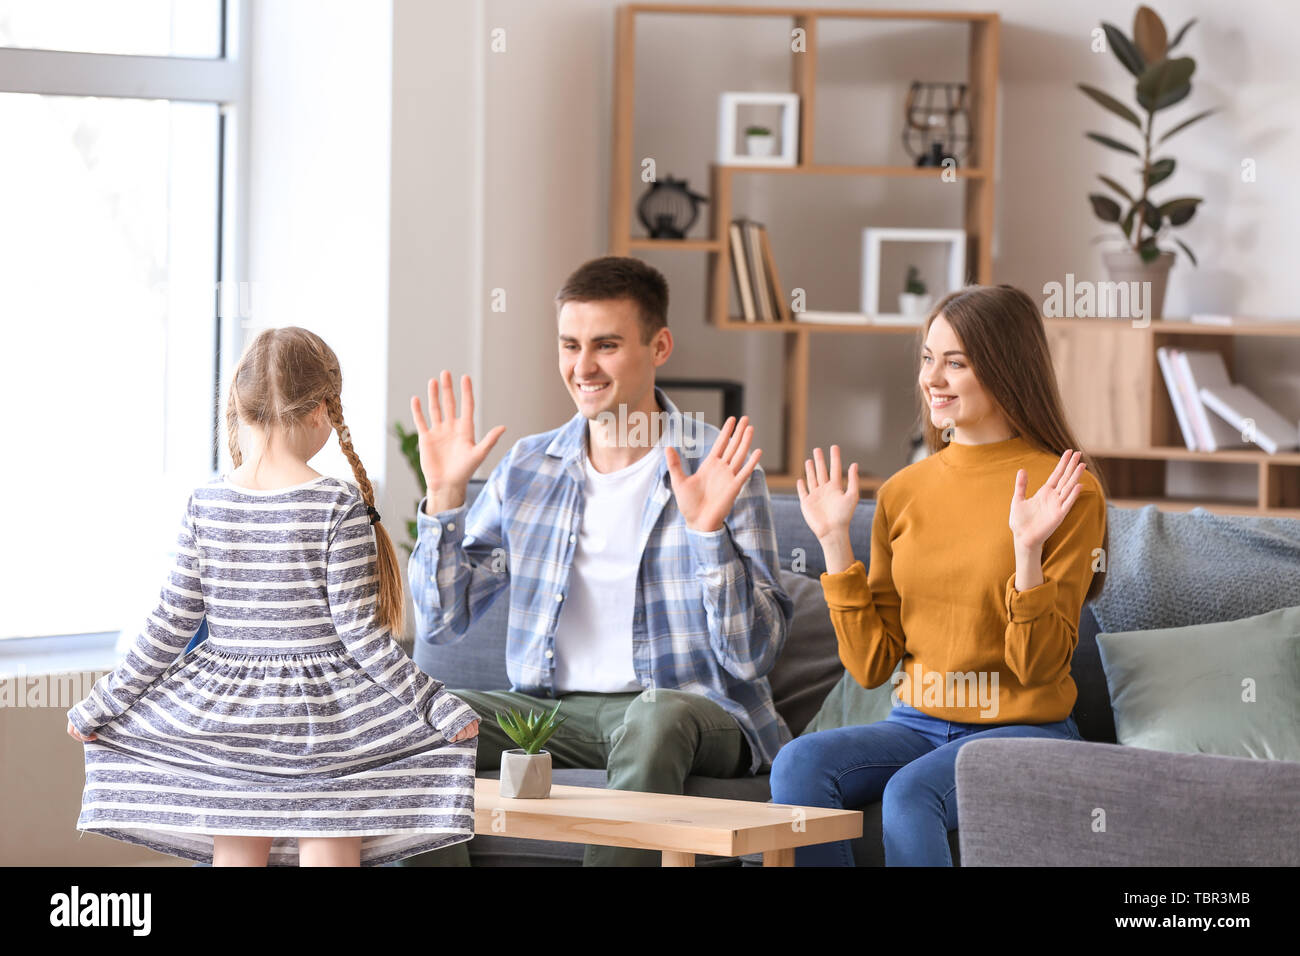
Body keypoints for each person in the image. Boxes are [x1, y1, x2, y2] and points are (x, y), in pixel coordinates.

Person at [405, 255, 794, 867]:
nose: (583, 368)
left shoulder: (717, 463)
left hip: (690, 709)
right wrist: (447, 500)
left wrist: (708, 534)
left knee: (655, 717)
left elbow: (752, 657)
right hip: (553, 711)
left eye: (606, 345)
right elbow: (440, 622)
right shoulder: (530, 467)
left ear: (659, 345)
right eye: (570, 345)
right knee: (421, 718)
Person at [66, 326, 480, 867]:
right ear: (322, 413)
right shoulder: (337, 504)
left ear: (239, 407)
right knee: (330, 846)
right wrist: (435, 704)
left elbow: (169, 627)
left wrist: (103, 703)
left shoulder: (205, 503)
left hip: (228, 721)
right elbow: (362, 637)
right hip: (327, 727)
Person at [770, 283, 1109, 866]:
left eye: (956, 362)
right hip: (915, 721)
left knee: (910, 794)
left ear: (1005, 370)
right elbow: (873, 665)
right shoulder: (903, 491)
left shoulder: (1066, 489)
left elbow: (1039, 667)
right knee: (798, 762)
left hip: (1025, 730)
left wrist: (1027, 550)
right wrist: (833, 543)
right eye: (928, 358)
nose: (933, 378)